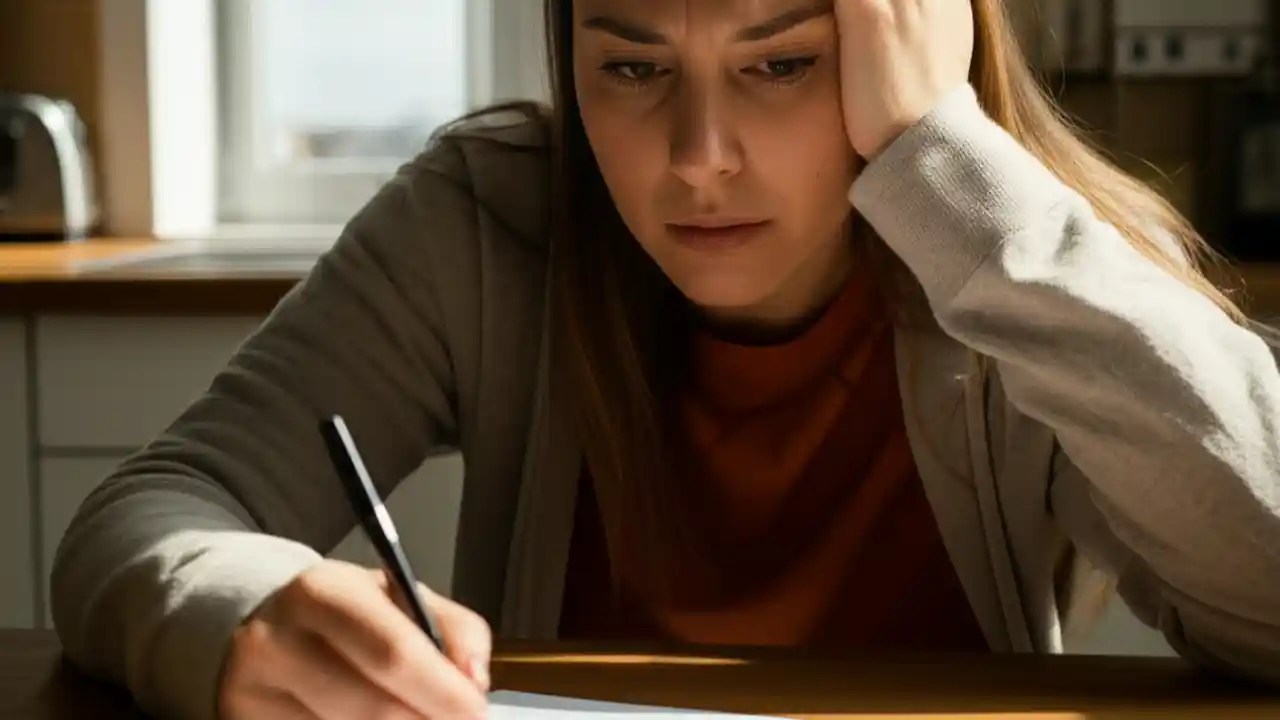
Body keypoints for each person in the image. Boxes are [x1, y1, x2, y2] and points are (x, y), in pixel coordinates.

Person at [51, 0, 1280, 718]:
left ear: (915, 43)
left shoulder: (1035, 249)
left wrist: (941, 161)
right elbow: (153, 508)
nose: (698, 157)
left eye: (779, 63)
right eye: (631, 67)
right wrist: (238, 610)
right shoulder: (484, 218)